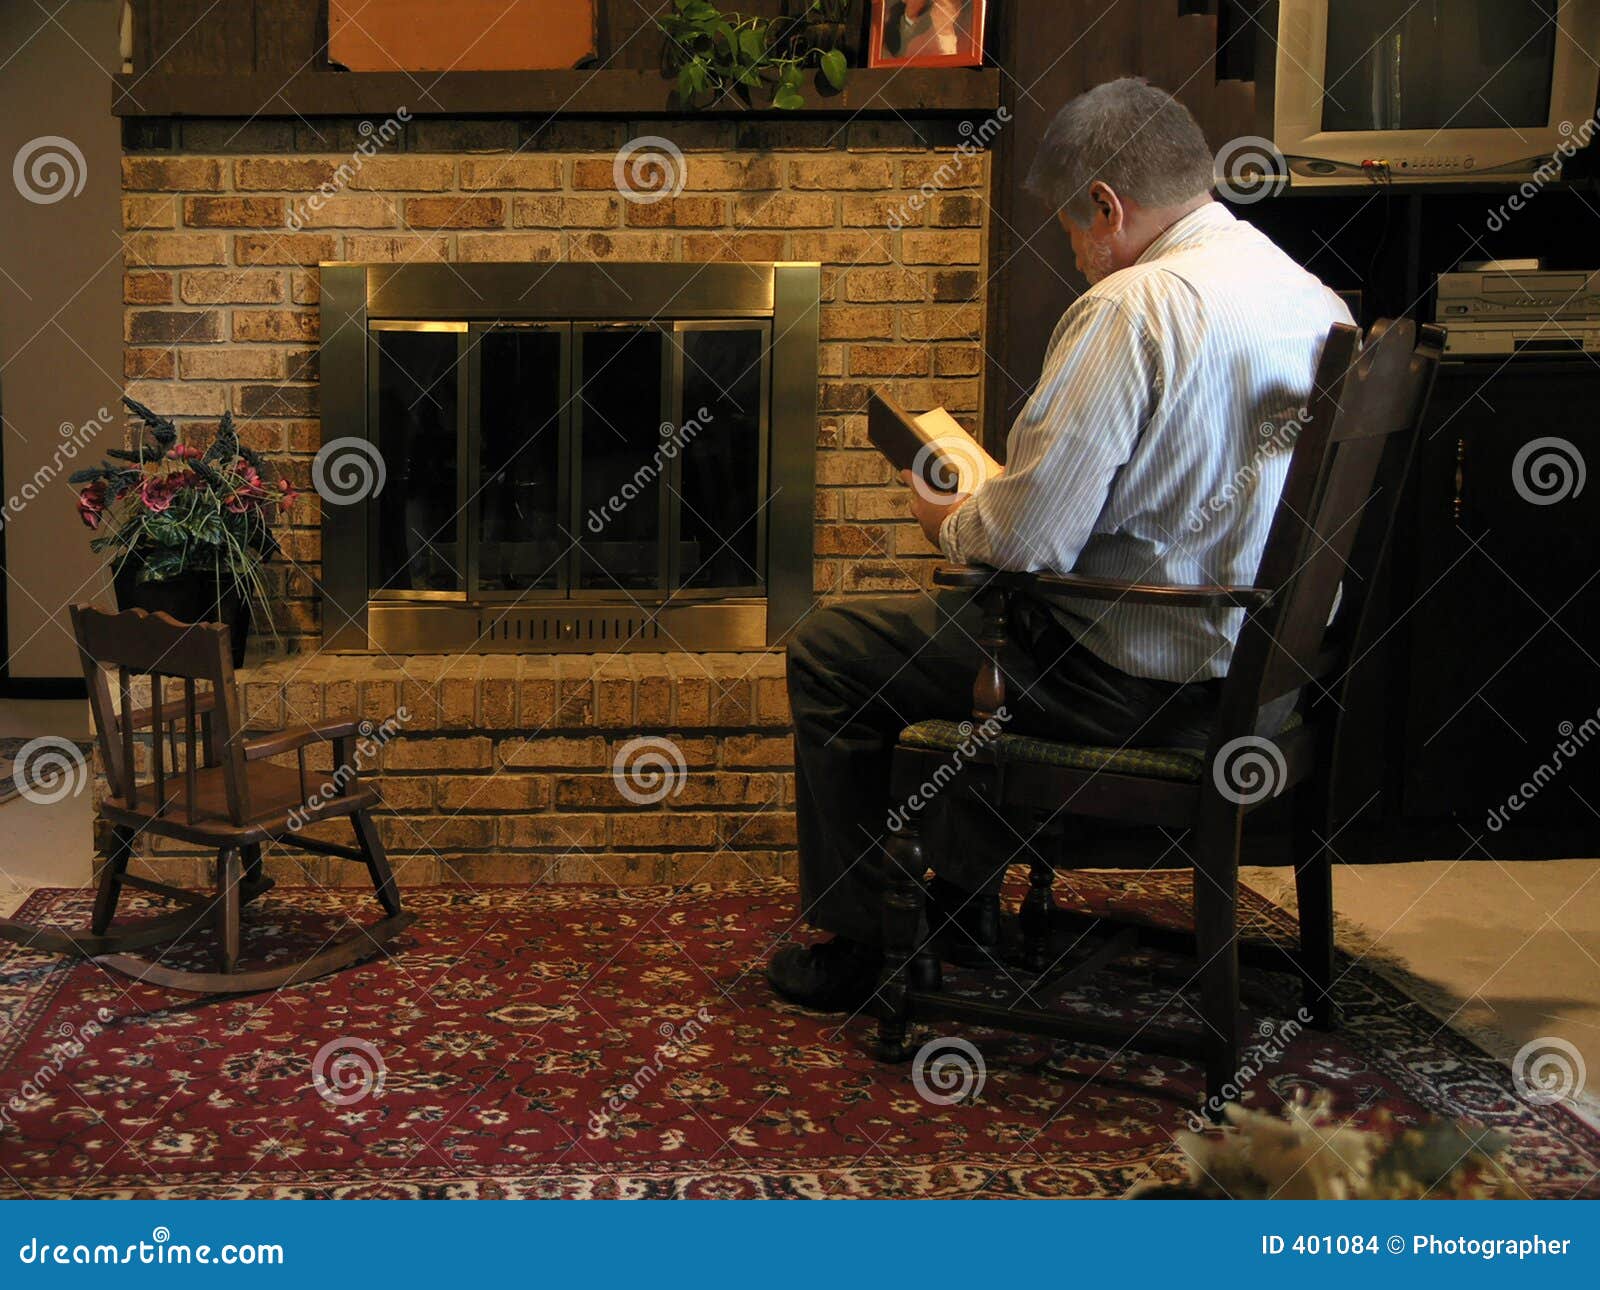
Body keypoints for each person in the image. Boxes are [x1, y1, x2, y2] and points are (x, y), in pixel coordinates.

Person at [767, 78, 1353, 1011]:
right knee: (966, 626)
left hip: (1142, 691)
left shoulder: (1133, 307)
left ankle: (866, 942)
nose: (1077, 255)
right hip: (1267, 685)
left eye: (1071, 230)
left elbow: (1025, 543)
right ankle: (963, 911)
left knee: (838, 648)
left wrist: (948, 512)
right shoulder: (1310, 294)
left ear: (1107, 207)